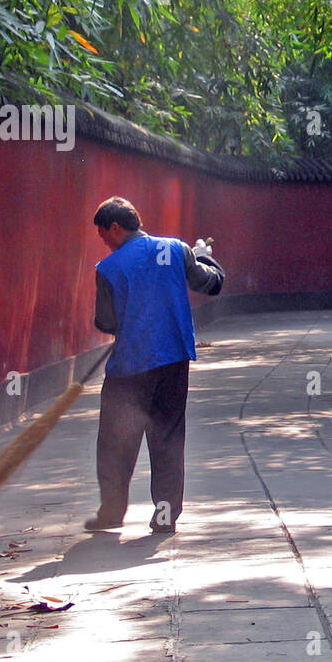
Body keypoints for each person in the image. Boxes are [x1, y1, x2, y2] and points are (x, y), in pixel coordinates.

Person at [86, 196, 225, 534]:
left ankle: (112, 511)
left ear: (115, 228)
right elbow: (212, 283)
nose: (104, 242)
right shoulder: (176, 251)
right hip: (173, 361)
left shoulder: (108, 268)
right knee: (167, 437)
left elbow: (106, 322)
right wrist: (204, 255)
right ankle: (165, 516)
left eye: (103, 234)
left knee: (116, 441)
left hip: (130, 368)